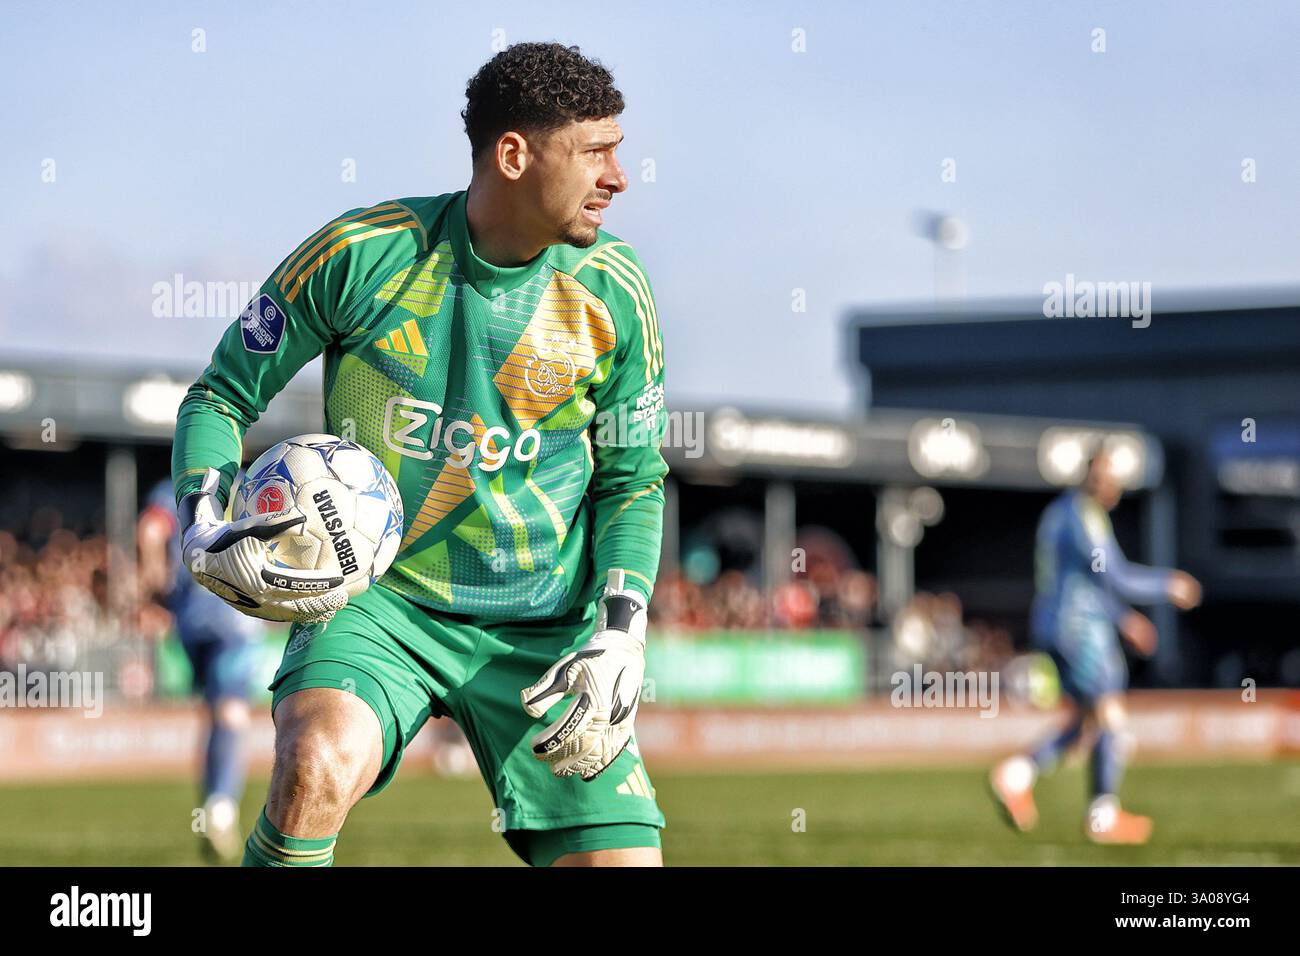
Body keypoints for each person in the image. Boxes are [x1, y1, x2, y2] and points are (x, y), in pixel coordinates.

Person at [170, 42, 668, 867]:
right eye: (595, 152)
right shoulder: (362, 254)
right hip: (380, 607)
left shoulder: (616, 290)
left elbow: (633, 479)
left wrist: (623, 629)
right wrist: (199, 518)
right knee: (315, 764)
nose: (619, 177)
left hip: (547, 633)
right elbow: (221, 395)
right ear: (514, 155)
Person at [989, 447, 1201, 844]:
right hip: (1077, 629)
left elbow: (1086, 579)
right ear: (1091, 475)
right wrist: (1169, 583)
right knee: (1110, 717)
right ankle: (1102, 815)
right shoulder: (1083, 514)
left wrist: (1122, 618)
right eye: (1108, 473)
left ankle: (1017, 775)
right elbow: (1115, 577)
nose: (1115, 482)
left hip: (1060, 622)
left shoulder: (1060, 513)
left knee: (1088, 720)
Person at [138, 478, 262, 861]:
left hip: (189, 620)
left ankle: (213, 803)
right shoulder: (257, 481)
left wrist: (154, 584)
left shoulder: (176, 488)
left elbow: (149, 529)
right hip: (236, 616)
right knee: (231, 714)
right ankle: (221, 807)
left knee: (214, 712)